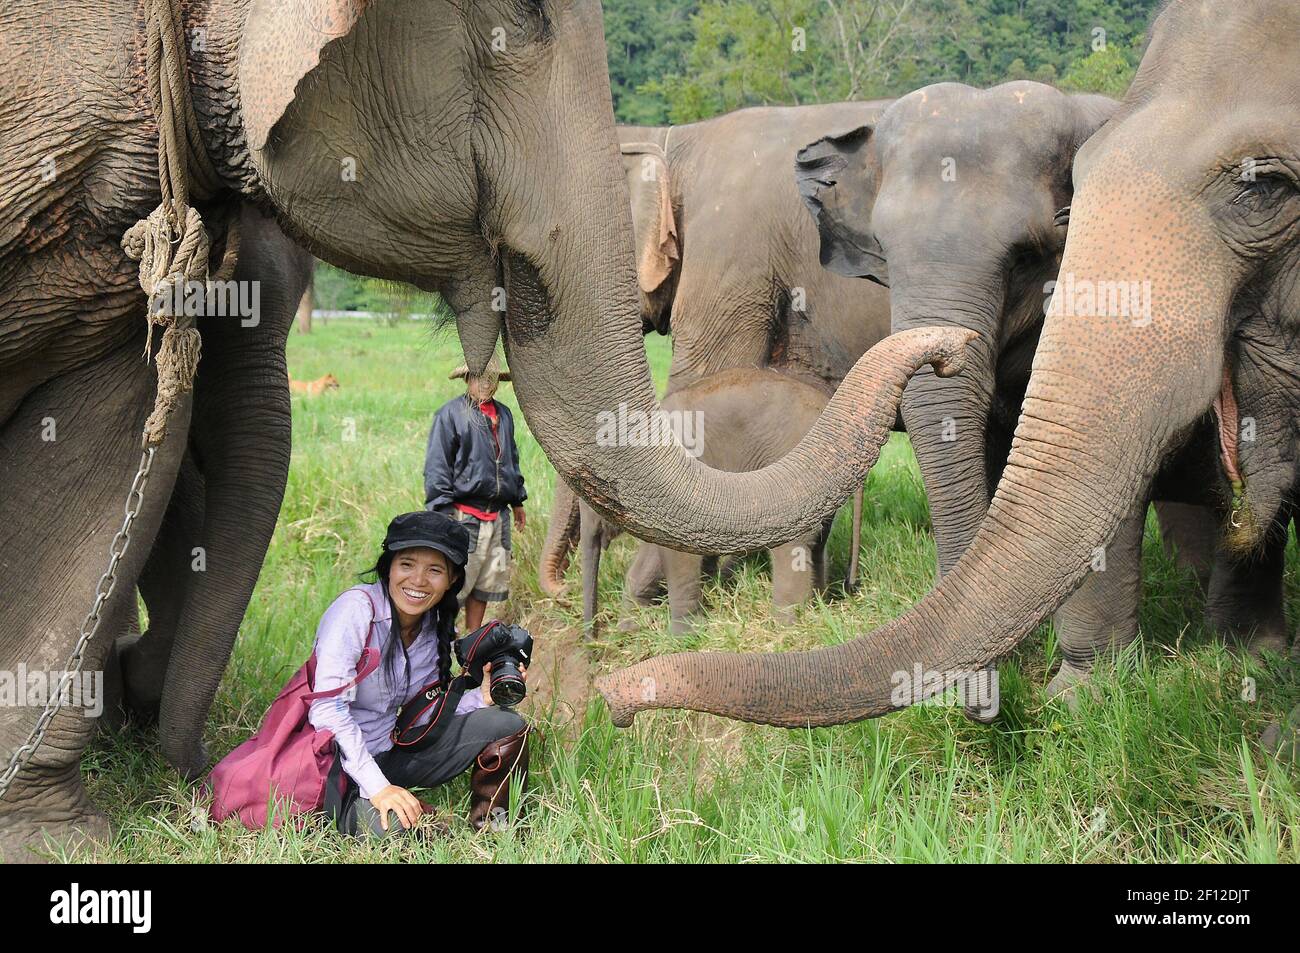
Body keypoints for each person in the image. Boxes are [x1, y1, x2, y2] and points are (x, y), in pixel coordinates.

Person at [309, 511, 529, 838]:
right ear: (389, 567)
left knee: (508, 724)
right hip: (337, 767)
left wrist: (480, 697)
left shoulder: (431, 627)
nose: (418, 580)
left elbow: (421, 714)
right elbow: (327, 711)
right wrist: (379, 788)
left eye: (435, 570)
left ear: (453, 579)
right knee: (408, 833)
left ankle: (495, 830)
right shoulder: (356, 610)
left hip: (389, 751)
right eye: (407, 564)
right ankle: (358, 810)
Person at [424, 357, 528, 630]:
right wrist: (441, 512)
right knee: (455, 584)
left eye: (490, 378)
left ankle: (472, 643)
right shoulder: (450, 414)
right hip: (463, 515)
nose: (485, 383)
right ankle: (442, 642)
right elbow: (437, 466)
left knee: (485, 585)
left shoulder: (504, 414)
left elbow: (511, 459)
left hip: (498, 516)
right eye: (478, 377)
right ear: (467, 379)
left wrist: (518, 499)